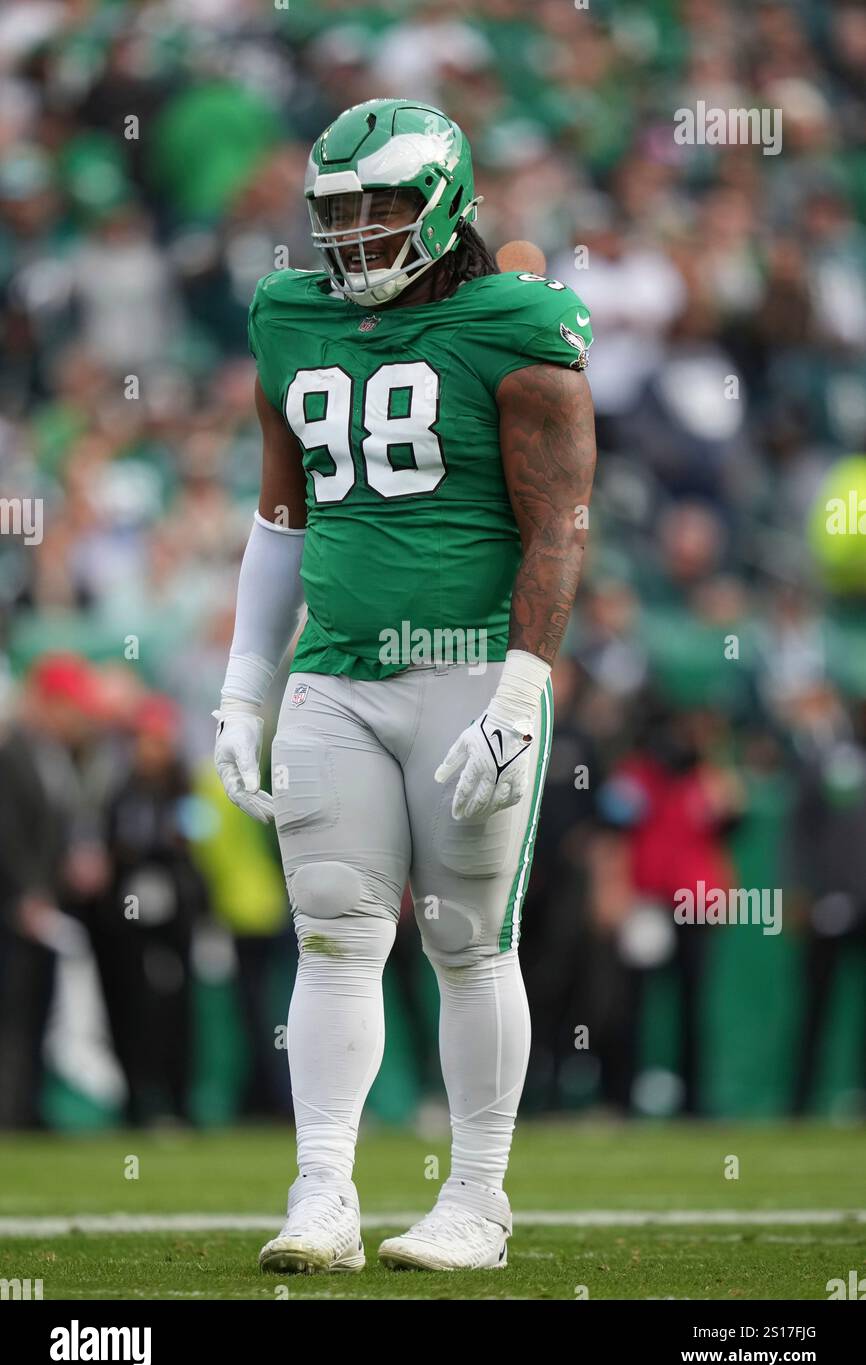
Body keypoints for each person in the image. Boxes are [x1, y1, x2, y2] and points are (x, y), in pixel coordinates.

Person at [212, 98, 597, 1274]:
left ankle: (474, 1199)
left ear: (442, 205)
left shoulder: (514, 326)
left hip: (467, 670)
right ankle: (320, 1190)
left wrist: (520, 689)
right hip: (334, 674)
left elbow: (558, 527)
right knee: (332, 937)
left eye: (380, 207)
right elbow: (281, 516)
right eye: (336, 212)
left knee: (468, 943)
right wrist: (241, 687)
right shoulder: (288, 318)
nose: (356, 233)